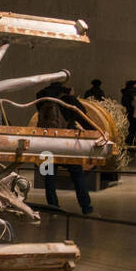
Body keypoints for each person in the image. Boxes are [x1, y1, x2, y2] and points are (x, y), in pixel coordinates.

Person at [35, 81, 95, 214]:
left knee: (49, 177)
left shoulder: (41, 98)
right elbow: (83, 117)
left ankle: (53, 207)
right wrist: (95, 133)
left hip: (47, 144)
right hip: (66, 144)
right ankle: (86, 207)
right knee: (77, 175)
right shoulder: (68, 100)